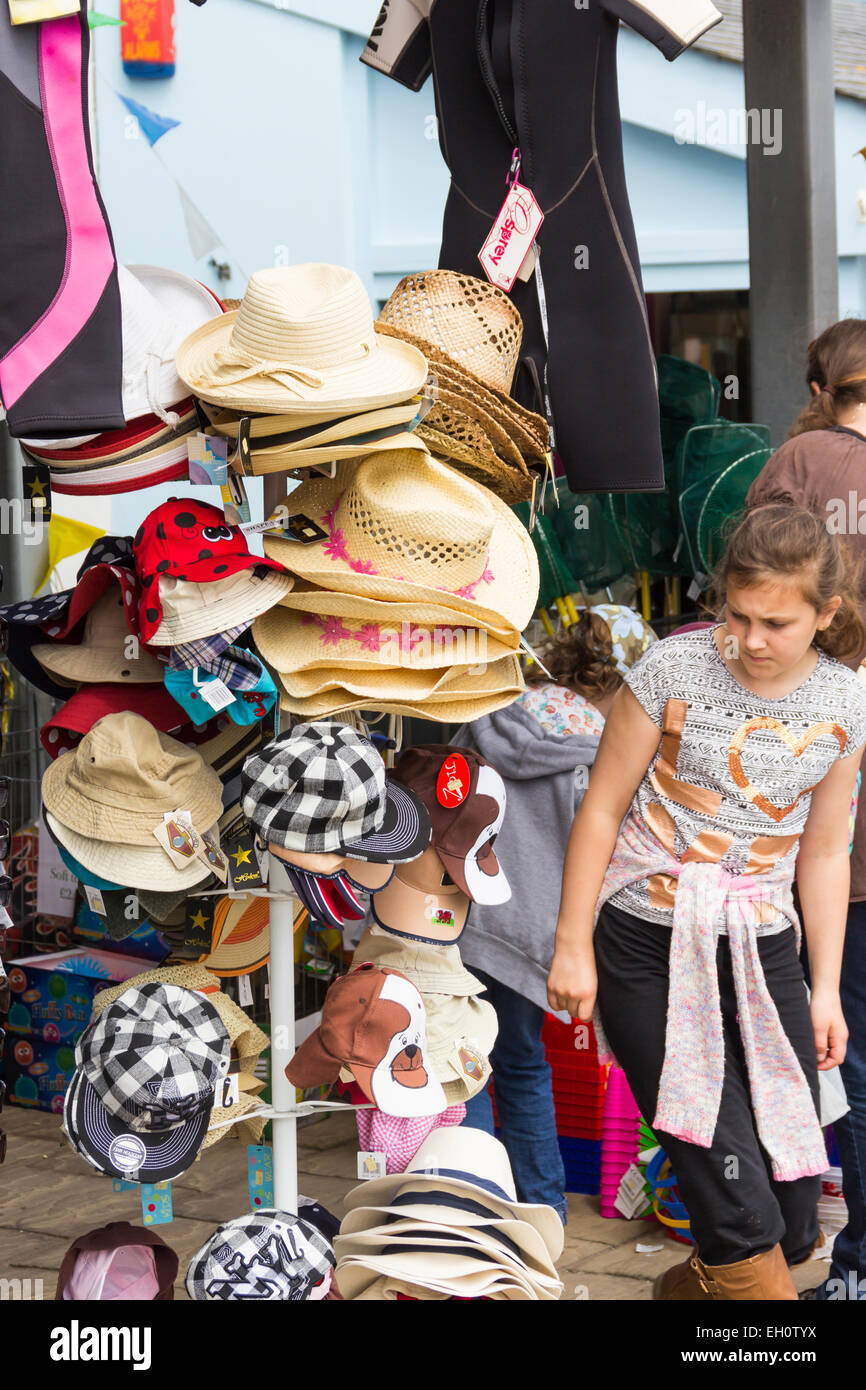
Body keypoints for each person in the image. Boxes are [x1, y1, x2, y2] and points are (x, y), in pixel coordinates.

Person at [548, 504, 866, 1300]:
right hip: (645, 940)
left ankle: (687, 1295)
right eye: (739, 614)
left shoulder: (845, 704)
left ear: (825, 614)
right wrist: (572, 944)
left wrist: (825, 987)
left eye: (778, 622)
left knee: (794, 1212)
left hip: (761, 946)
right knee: (737, 1205)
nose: (753, 639)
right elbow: (600, 808)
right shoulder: (672, 669)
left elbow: (826, 851)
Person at [453, 605, 656, 1225]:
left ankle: (472, 1213)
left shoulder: (491, 717)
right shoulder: (602, 747)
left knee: (463, 1067)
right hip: (540, 933)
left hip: (462, 917)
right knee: (521, 1062)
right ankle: (543, 1213)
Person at [747, 323, 866, 1299]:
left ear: (820, 387)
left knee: (846, 1041)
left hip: (825, 785)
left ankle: (856, 1257)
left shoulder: (791, 461)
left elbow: (748, 610)